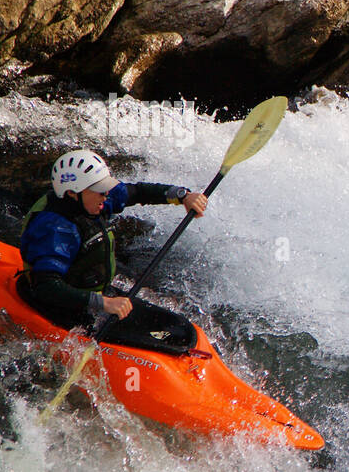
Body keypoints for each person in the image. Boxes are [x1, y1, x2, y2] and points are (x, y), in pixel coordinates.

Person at [16, 149, 207, 353]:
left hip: (96, 295)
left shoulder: (92, 200)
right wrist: (103, 303)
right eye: (100, 190)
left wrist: (182, 195)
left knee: (175, 330)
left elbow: (136, 192)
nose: (106, 195)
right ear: (72, 192)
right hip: (62, 307)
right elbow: (46, 287)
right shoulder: (55, 229)